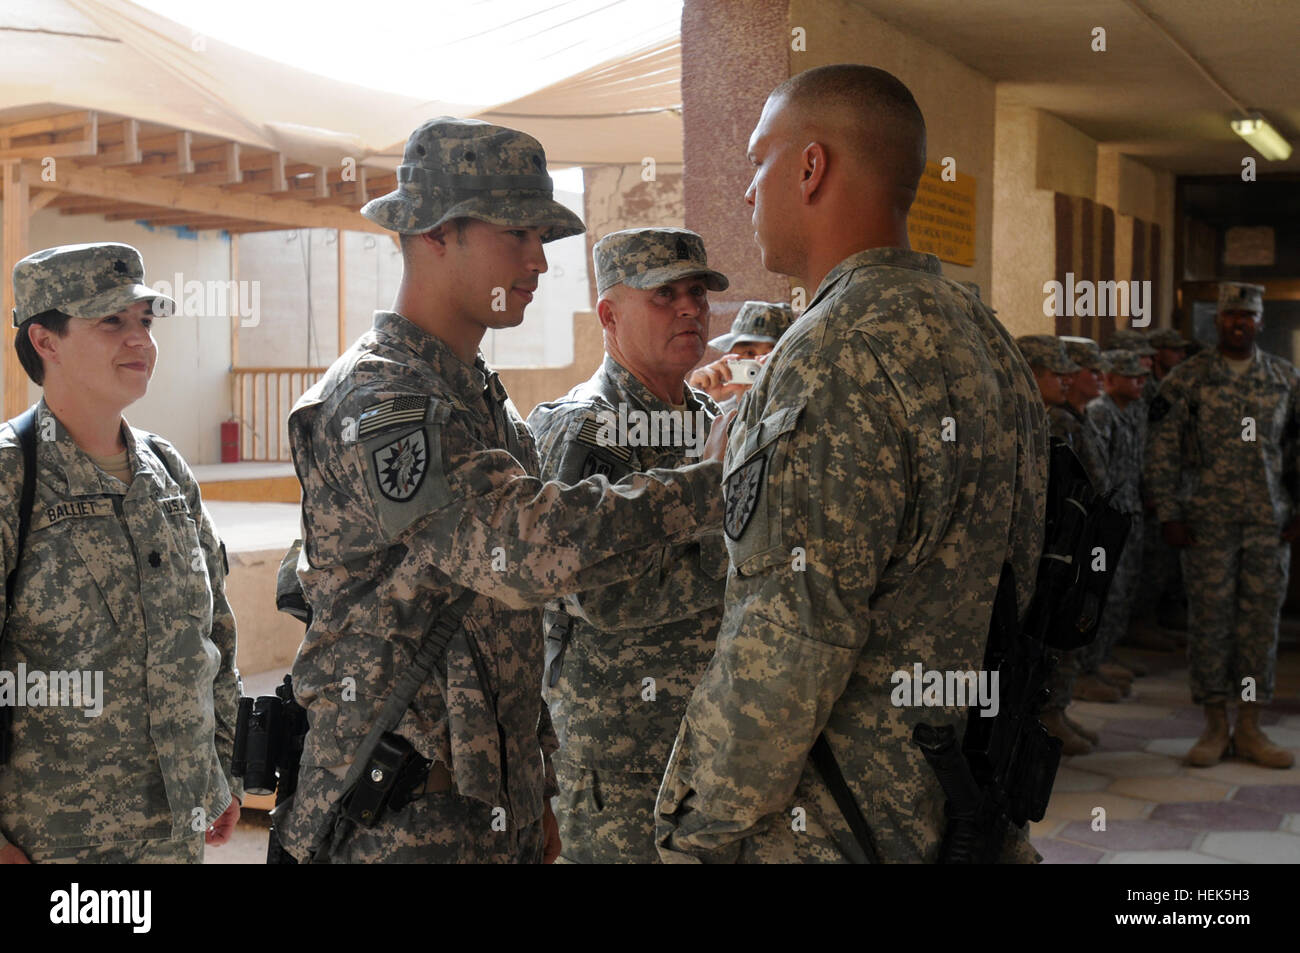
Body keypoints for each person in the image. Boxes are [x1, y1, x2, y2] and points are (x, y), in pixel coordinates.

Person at [278, 118, 732, 864]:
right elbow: (520, 553)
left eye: (542, 238)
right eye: (517, 233)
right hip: (401, 819)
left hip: (489, 806)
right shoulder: (382, 396)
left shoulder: (476, 395)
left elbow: (514, 634)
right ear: (435, 233)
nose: (539, 262)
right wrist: (705, 488)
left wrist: (538, 783)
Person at [654, 64, 1048, 863]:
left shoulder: (832, 350)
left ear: (810, 167)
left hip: (839, 823)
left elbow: (791, 634)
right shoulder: (987, 337)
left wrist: (697, 823)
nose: (746, 191)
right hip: (962, 806)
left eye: (758, 160)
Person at [0, 243, 241, 864]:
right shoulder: (11, 475)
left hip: (172, 833)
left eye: (145, 322)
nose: (140, 341)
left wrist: (220, 769)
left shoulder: (166, 471)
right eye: (112, 322)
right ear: (45, 341)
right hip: (54, 844)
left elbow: (212, 633)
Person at [527, 227, 729, 863]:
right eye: (664, 294)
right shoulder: (585, 426)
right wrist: (733, 560)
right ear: (610, 315)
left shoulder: (709, 420)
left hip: (712, 742)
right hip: (619, 758)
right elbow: (607, 596)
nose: (690, 308)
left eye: (697, 292)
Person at [1144, 281, 1297, 770]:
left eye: (1248, 316)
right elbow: (1162, 450)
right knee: (1210, 623)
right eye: (1231, 315)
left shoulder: (1287, 380)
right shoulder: (1186, 380)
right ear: (1218, 321)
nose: (1239, 323)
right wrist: (1168, 511)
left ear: (1260, 322)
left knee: (1258, 626)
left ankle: (1250, 726)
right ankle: (1214, 725)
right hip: (1205, 523)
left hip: (1268, 525)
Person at [1015, 335, 1105, 748]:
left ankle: (1056, 712)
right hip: (1045, 549)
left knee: (1063, 632)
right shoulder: (1035, 421)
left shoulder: (1059, 416)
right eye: (1058, 373)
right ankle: (1044, 718)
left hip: (1069, 544)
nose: (1067, 381)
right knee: (1045, 638)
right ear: (1030, 373)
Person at [1081, 350, 1151, 690]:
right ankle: (1087, 668)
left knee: (1124, 590)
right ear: (1112, 380)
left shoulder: (1131, 411)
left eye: (1142, 376)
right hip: (1108, 517)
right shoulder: (1101, 414)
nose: (1140, 382)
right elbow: (1097, 472)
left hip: (1128, 511)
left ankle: (1105, 655)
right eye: (1132, 376)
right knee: (1105, 592)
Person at [688, 300, 795, 410]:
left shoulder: (802, 413)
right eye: (749, 353)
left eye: (771, 356)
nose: (758, 364)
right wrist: (697, 399)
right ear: (731, 358)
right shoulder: (718, 416)